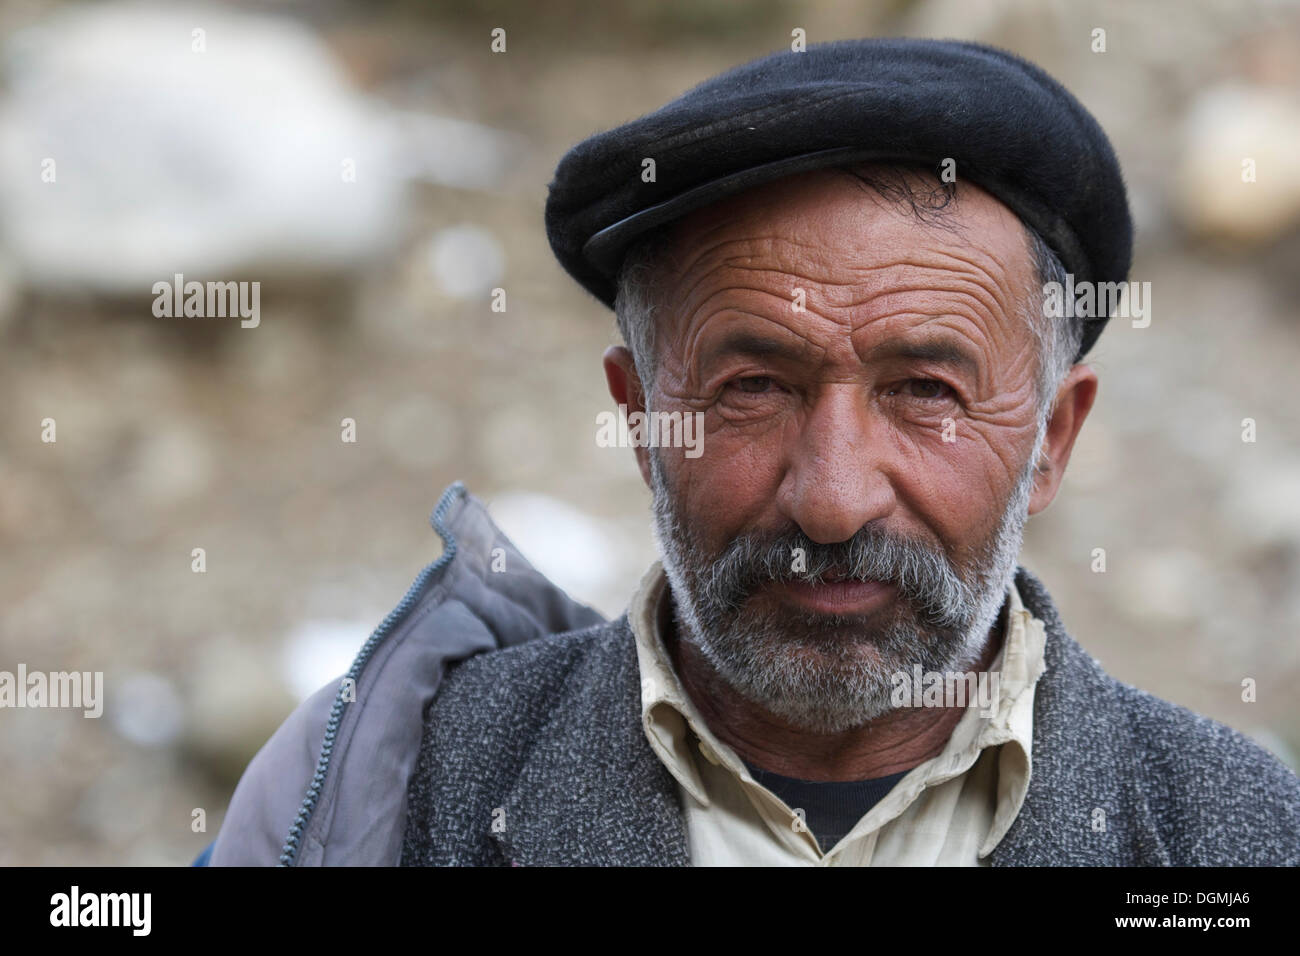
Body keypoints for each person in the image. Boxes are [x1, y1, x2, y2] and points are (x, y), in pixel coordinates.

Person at [205, 37, 1300, 867]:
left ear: (1052, 438)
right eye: (752, 389)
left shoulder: (1235, 836)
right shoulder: (382, 794)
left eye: (925, 392)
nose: (830, 498)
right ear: (640, 417)